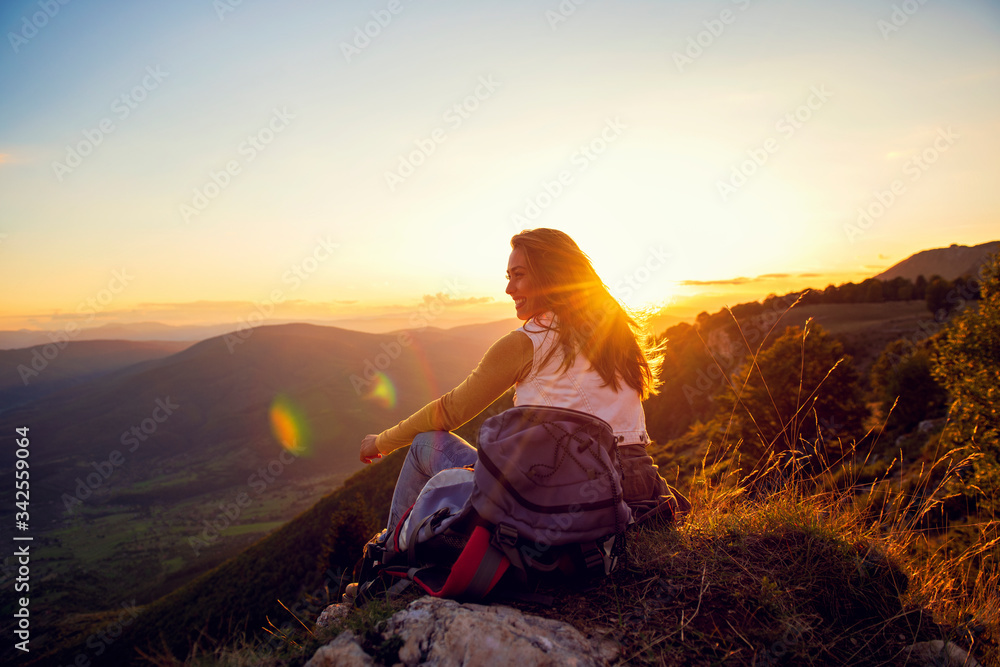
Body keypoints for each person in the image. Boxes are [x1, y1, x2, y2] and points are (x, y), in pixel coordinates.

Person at [359, 228, 686, 532]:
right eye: (508, 277)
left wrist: (381, 442)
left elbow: (450, 411)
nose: (508, 288)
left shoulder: (529, 340)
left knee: (423, 445)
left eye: (518, 276)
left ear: (549, 277)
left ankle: (387, 562)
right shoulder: (615, 333)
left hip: (570, 486)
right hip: (641, 482)